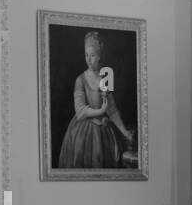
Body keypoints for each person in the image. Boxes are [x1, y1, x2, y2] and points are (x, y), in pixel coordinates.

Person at [57, 31, 134, 168]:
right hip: (84, 133)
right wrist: (101, 111)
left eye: (92, 55)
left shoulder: (105, 78)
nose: (88, 59)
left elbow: (112, 110)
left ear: (99, 57)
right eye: (86, 55)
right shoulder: (80, 80)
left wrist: (124, 132)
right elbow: (80, 111)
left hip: (105, 132)